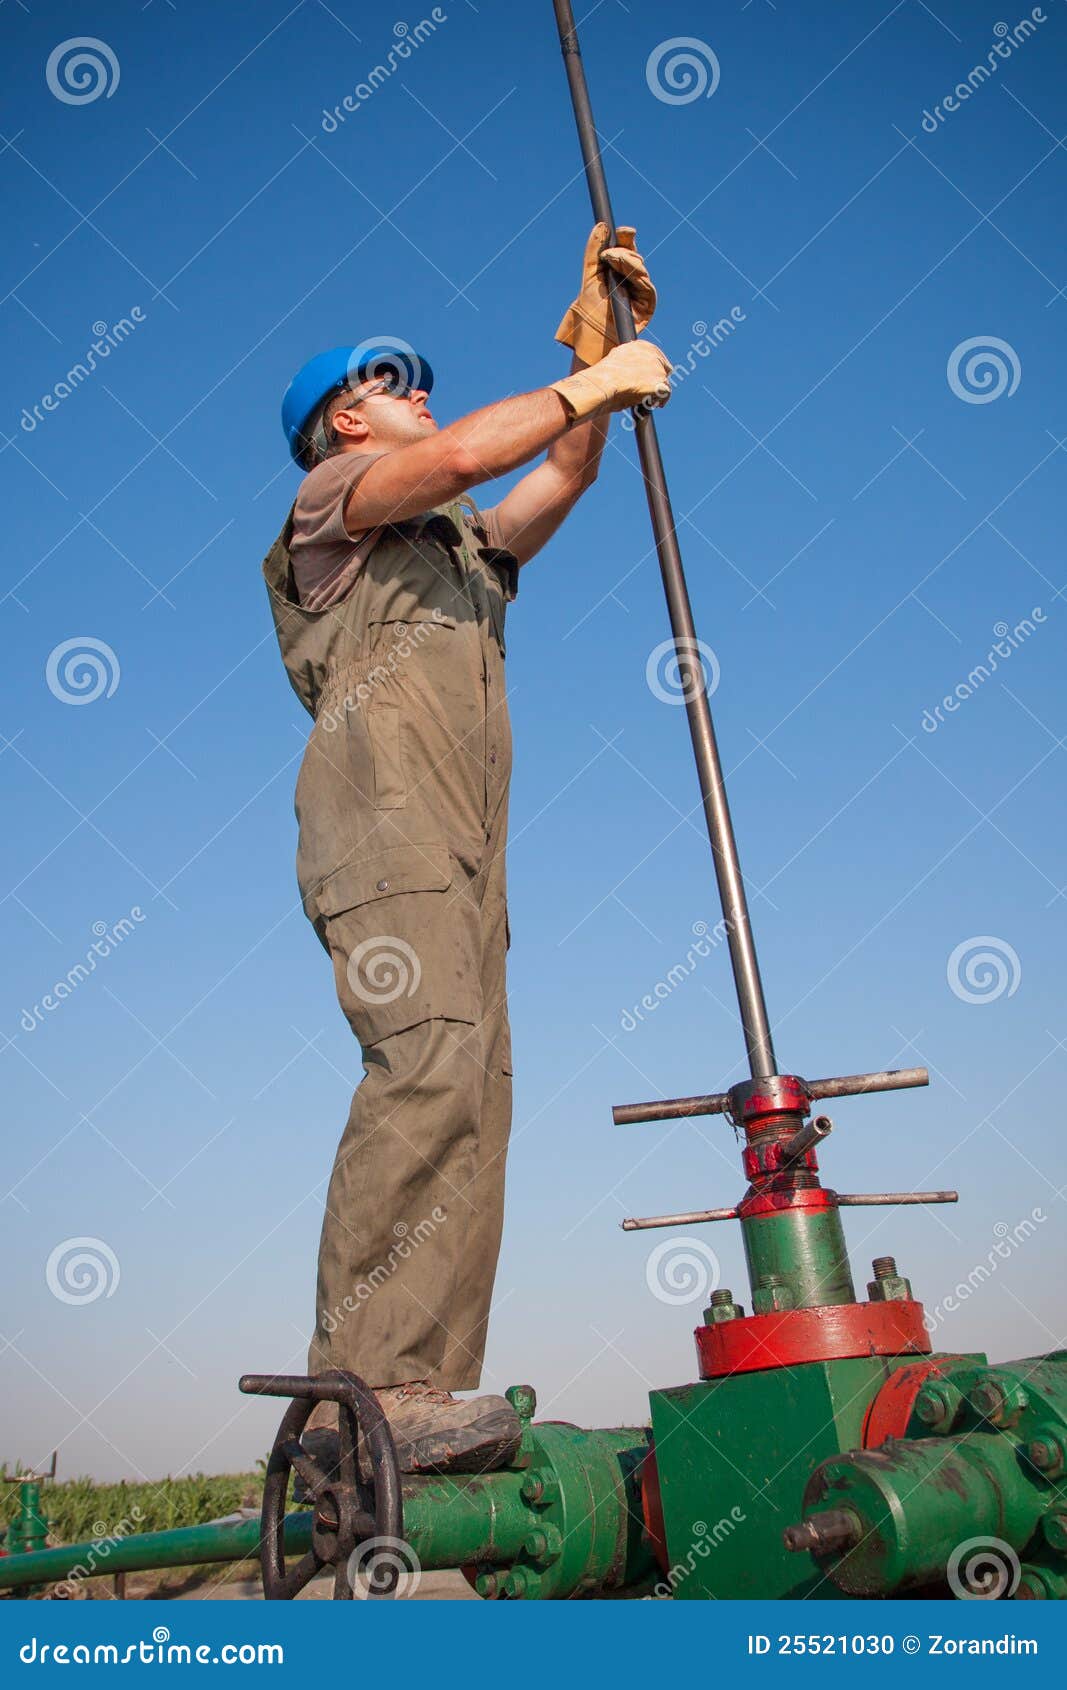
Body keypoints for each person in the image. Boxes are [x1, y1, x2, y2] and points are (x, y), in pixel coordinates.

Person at [262, 225, 669, 1474]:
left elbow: (562, 473)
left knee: (476, 1101)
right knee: (427, 1073)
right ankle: (357, 1401)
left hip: (467, 857)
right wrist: (585, 380)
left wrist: (597, 329)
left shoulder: (459, 552)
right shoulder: (329, 513)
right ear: (341, 424)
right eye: (387, 378)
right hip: (382, 843)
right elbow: (456, 454)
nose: (414, 386)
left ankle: (421, 1393)